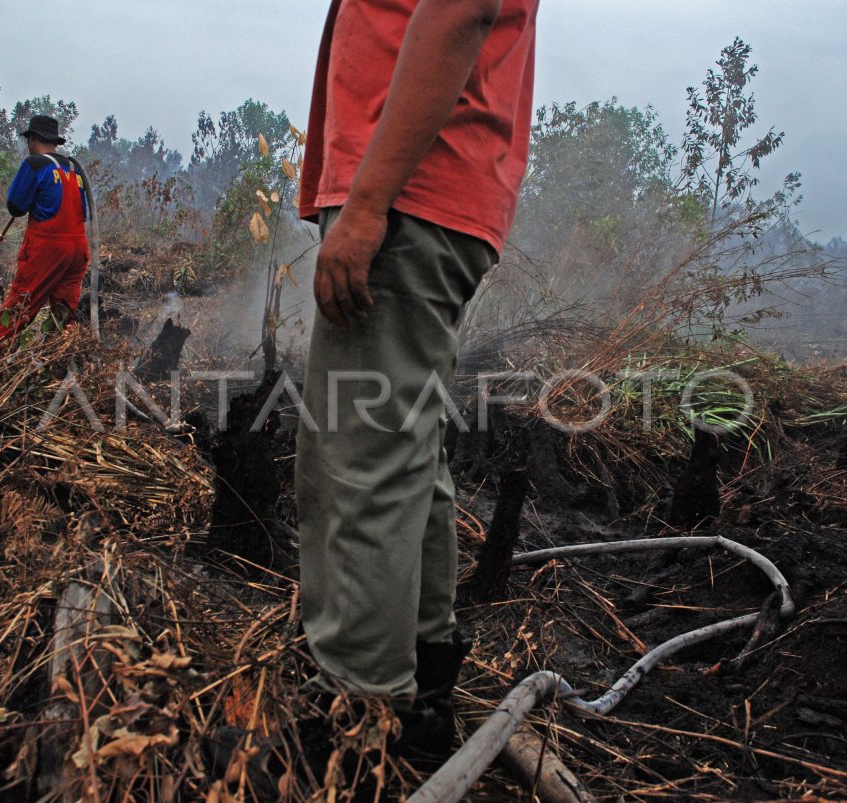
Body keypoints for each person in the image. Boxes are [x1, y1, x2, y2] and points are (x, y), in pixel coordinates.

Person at [296, 0, 540, 755]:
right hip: (426, 194)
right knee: (403, 451)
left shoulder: (392, 204)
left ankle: (353, 728)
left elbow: (460, 10)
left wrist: (368, 204)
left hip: (408, 194)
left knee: (359, 460)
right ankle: (423, 689)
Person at [0, 114, 90, 351]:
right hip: (78, 250)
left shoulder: (34, 165)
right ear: (55, 142)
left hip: (47, 248)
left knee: (20, 305)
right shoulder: (74, 169)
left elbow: (16, 206)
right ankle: (60, 357)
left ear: (33, 140)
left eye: (29, 141)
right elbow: (84, 213)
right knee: (64, 311)